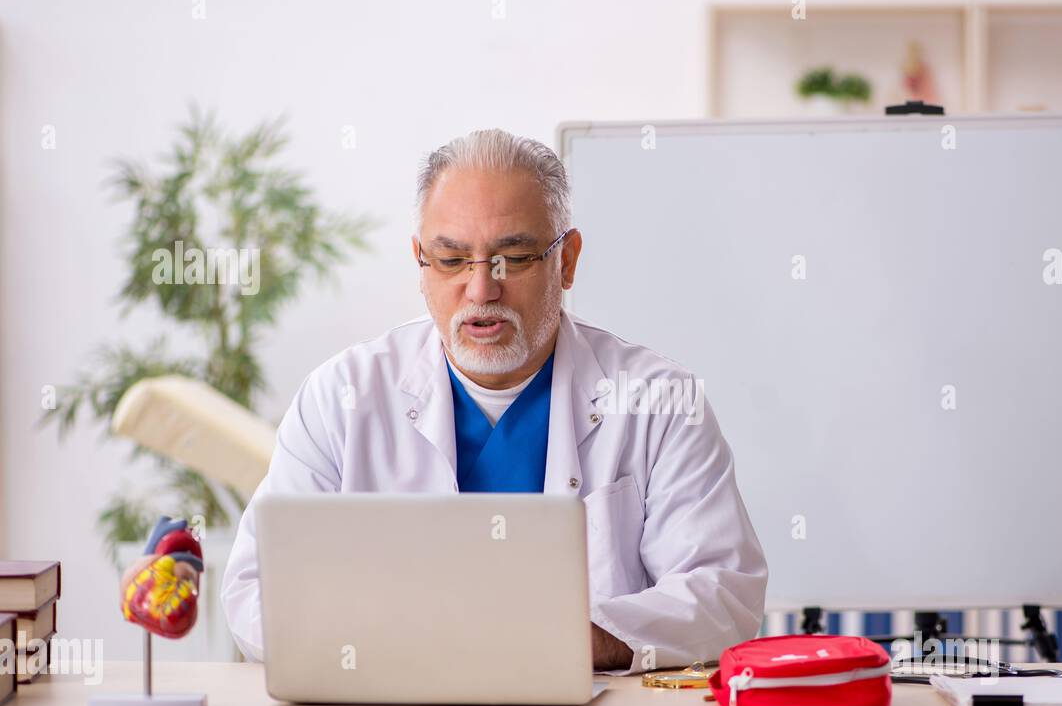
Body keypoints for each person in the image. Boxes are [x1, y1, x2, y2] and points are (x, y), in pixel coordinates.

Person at [219, 128, 767, 673]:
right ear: (420, 262)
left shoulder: (658, 403)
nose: (482, 290)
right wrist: (405, 642)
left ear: (567, 261)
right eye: (452, 260)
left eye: (515, 257)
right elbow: (256, 589)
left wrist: (562, 640)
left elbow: (722, 595)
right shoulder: (341, 399)